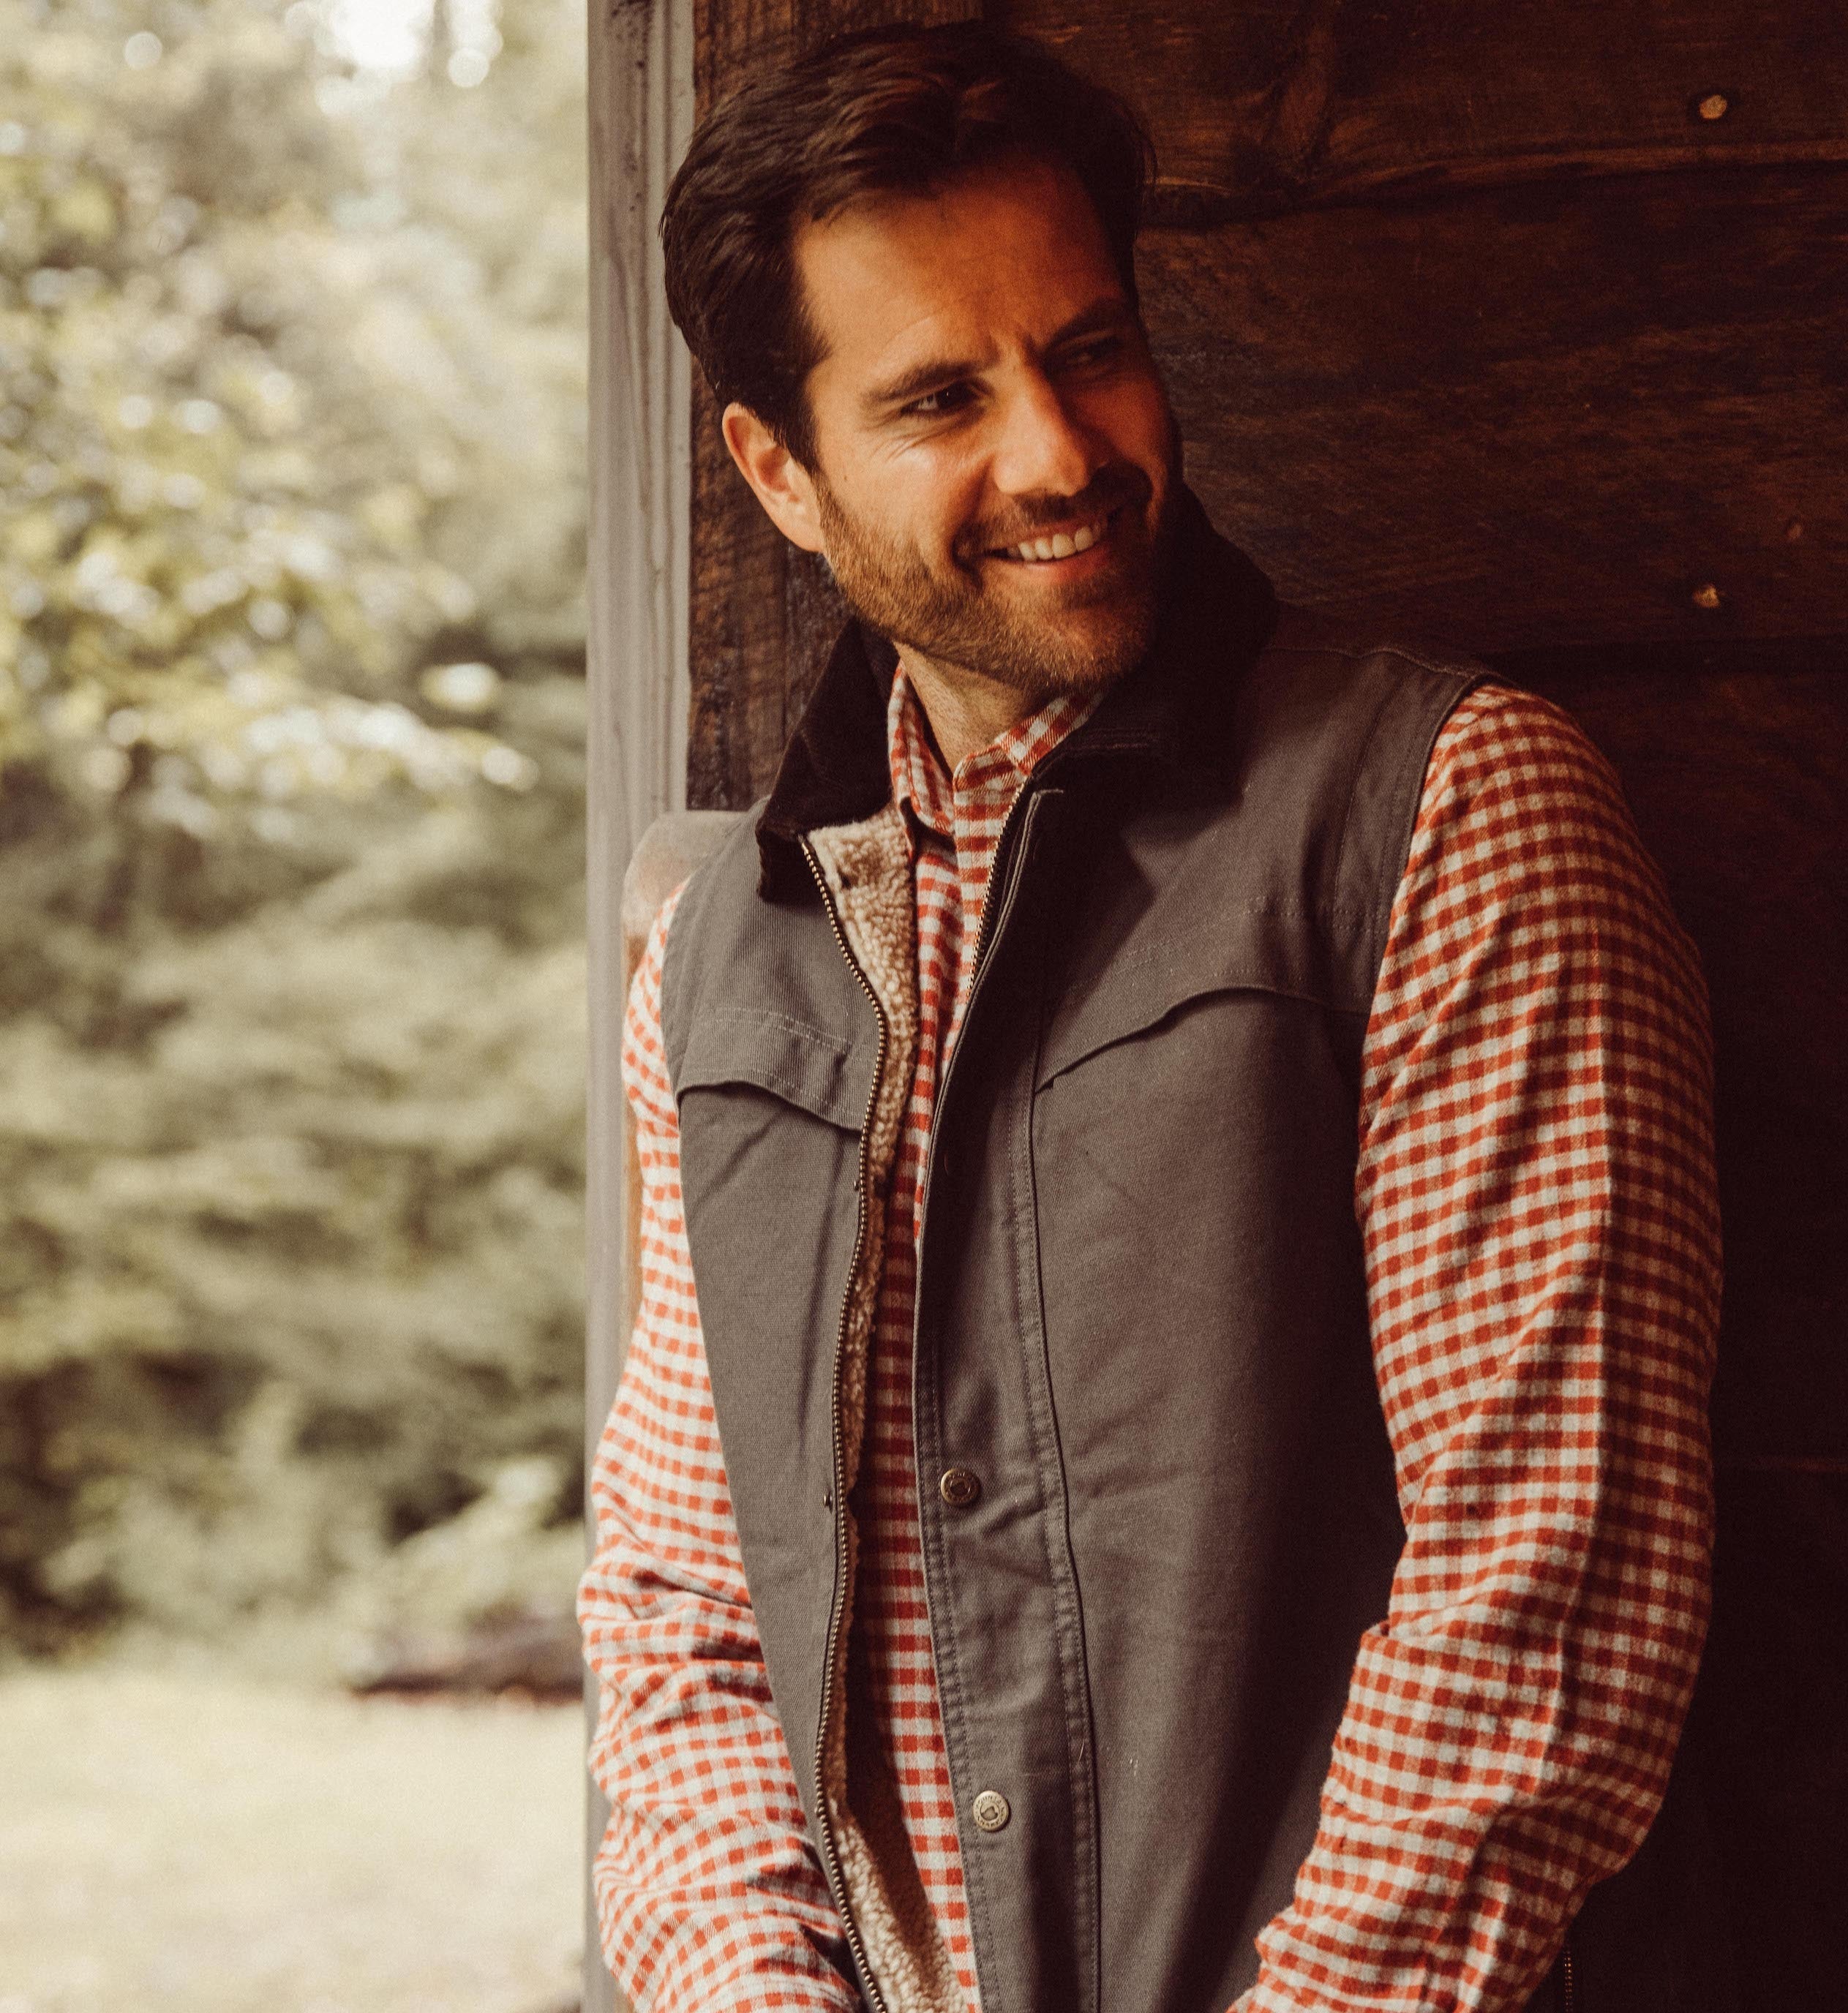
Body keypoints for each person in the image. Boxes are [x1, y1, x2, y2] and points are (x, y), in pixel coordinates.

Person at [580, 22, 1729, 2013]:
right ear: (781, 471)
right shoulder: (715, 951)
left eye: (1089, 349)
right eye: (942, 397)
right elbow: (687, 1614)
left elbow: (1538, 1606)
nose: (1058, 455)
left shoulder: (1448, 809)